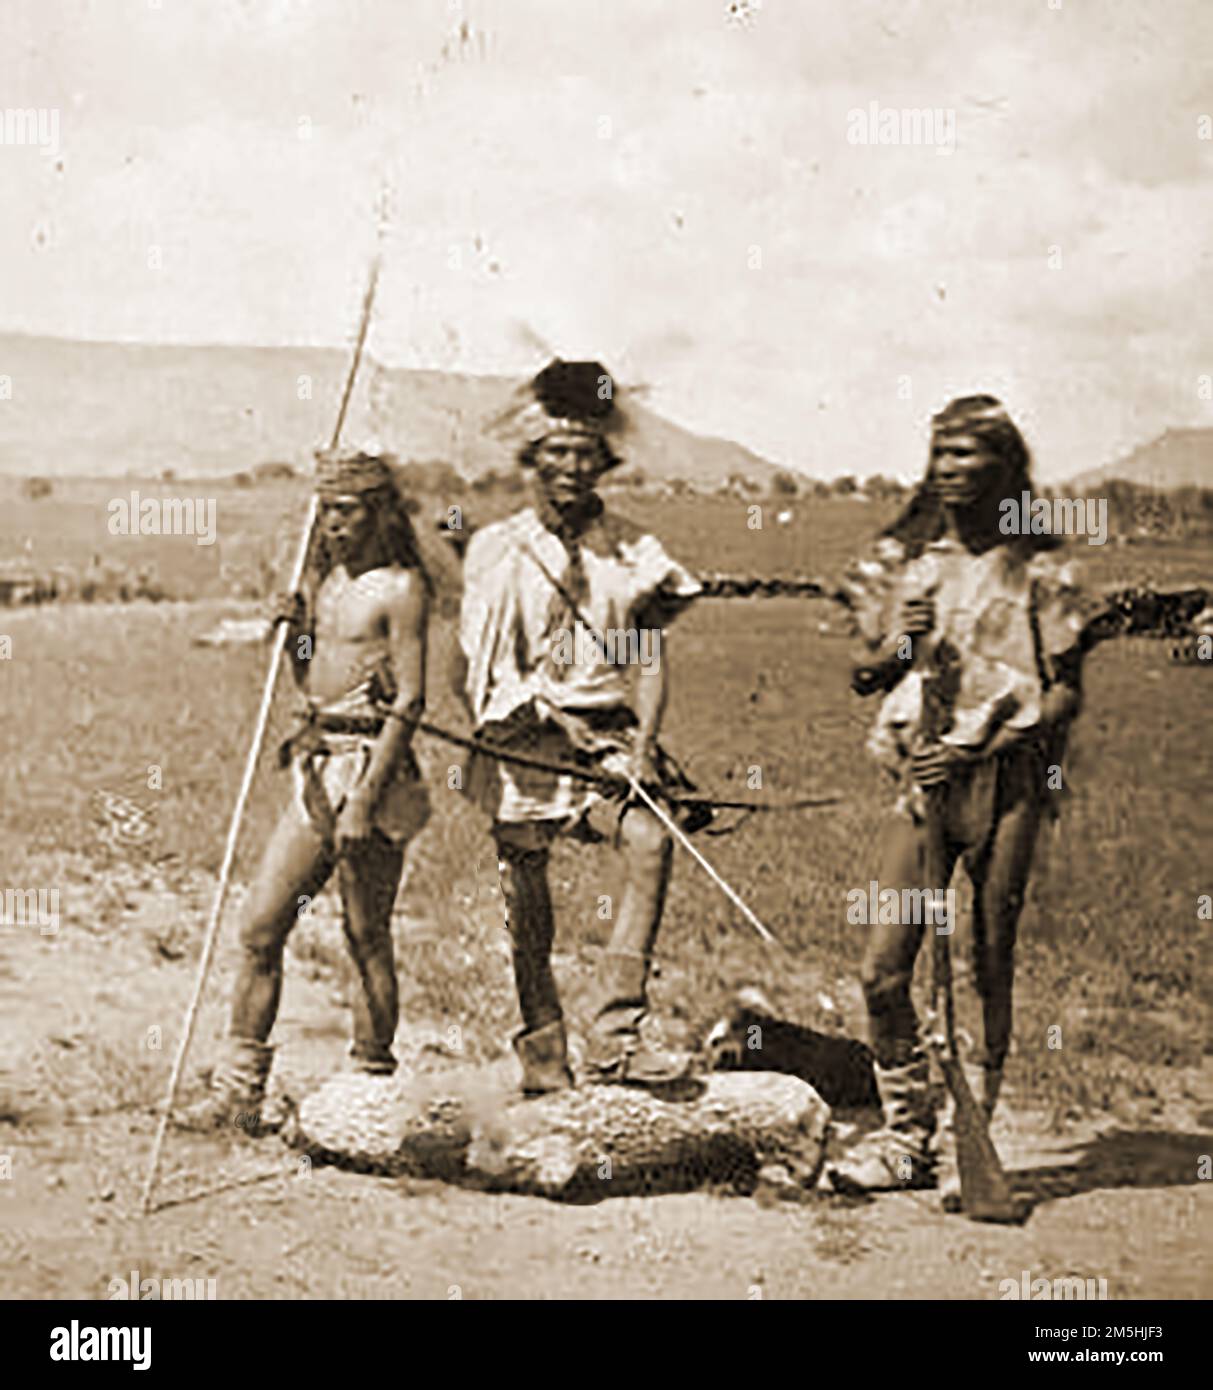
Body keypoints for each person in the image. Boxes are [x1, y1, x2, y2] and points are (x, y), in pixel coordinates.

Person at [827, 396, 1095, 1206]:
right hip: (922, 786)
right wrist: (897, 644)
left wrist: (986, 741)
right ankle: (907, 1135)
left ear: (1001, 467)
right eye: (939, 454)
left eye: (967, 455)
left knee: (986, 959)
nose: (948, 470)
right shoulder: (909, 561)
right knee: (881, 968)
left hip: (1009, 786)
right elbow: (863, 674)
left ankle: (976, 1138)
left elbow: (1063, 697)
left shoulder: (1044, 571)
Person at [456, 359, 701, 1092]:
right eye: (555, 452)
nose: (569, 466)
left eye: (584, 453)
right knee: (525, 897)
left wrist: (643, 753)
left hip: (607, 741)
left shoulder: (631, 552)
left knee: (649, 840)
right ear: (533, 458)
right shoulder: (499, 549)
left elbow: (649, 661)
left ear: (603, 461)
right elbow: (476, 666)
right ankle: (542, 1053)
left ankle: (615, 1034)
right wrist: (527, 714)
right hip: (521, 737)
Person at [178, 449, 431, 1131]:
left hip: (372, 770)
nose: (331, 524)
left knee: (363, 933)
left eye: (345, 510)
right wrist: (293, 632)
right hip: (315, 768)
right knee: (260, 926)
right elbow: (308, 680)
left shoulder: (401, 587)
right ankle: (239, 1093)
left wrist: (366, 800)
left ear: (378, 511)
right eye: (324, 510)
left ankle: (369, 1089)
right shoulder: (321, 582)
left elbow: (409, 701)